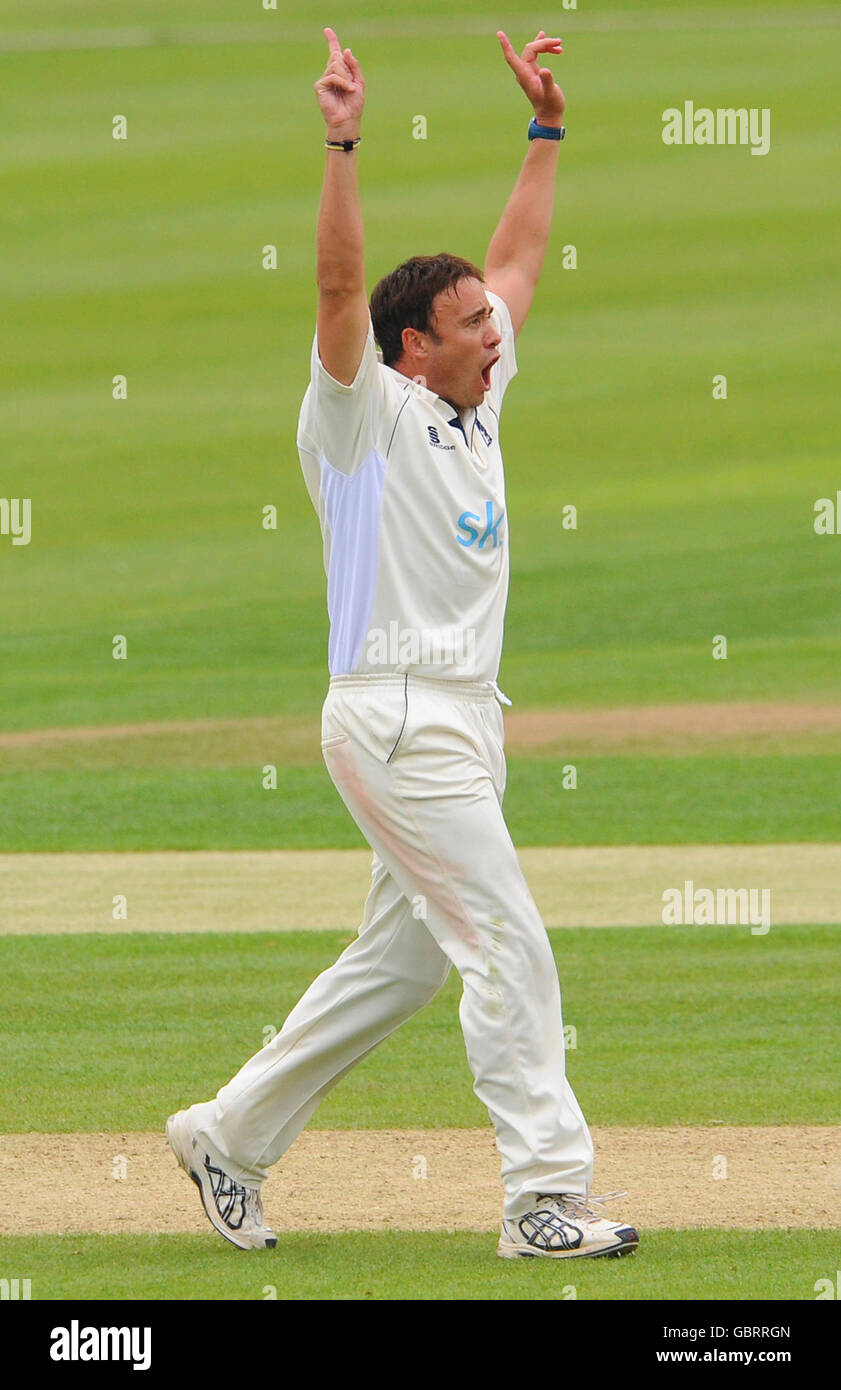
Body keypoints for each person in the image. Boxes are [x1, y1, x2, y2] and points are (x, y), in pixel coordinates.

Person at [167, 25, 639, 1262]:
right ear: (410, 348)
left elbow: (519, 259)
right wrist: (340, 140)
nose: (496, 330)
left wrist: (545, 131)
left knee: (408, 964)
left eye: (492, 321)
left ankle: (228, 1130)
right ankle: (542, 1198)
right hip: (391, 713)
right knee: (506, 940)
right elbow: (335, 290)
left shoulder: (476, 402)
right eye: (470, 323)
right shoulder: (359, 417)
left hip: (466, 719)